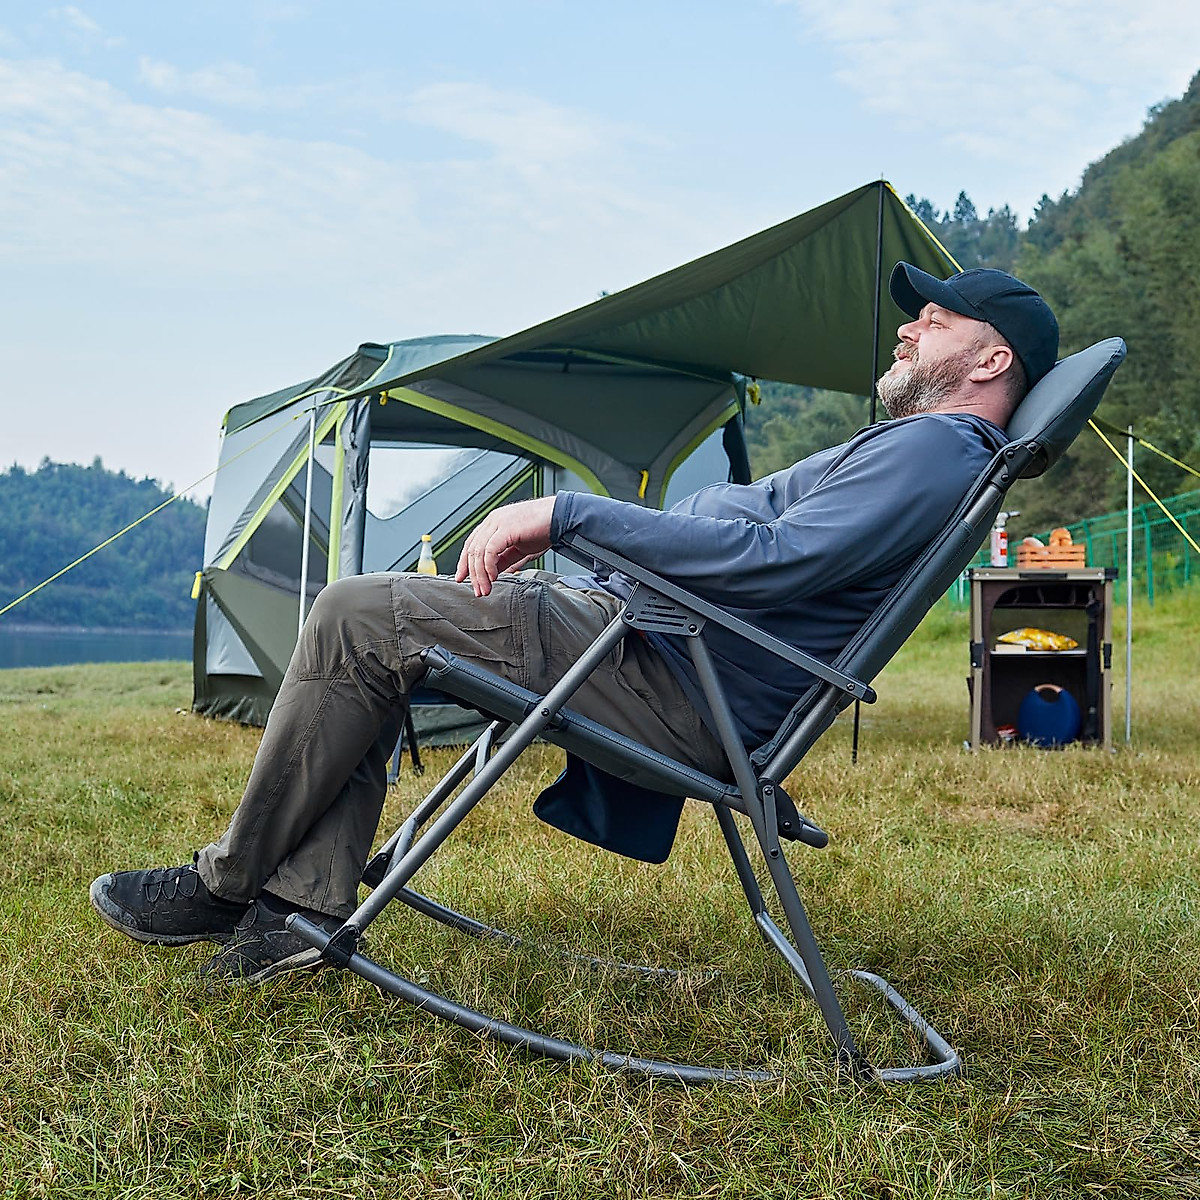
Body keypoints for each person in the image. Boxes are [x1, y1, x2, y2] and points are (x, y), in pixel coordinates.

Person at [90, 262, 1059, 984]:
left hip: (668, 680)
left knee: (356, 613)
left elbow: (772, 563)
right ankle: (299, 909)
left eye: (930, 322)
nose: (905, 333)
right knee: (384, 627)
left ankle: (230, 886)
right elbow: (762, 540)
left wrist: (568, 514)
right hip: (652, 648)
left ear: (990, 357)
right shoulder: (923, 448)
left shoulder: (934, 450)